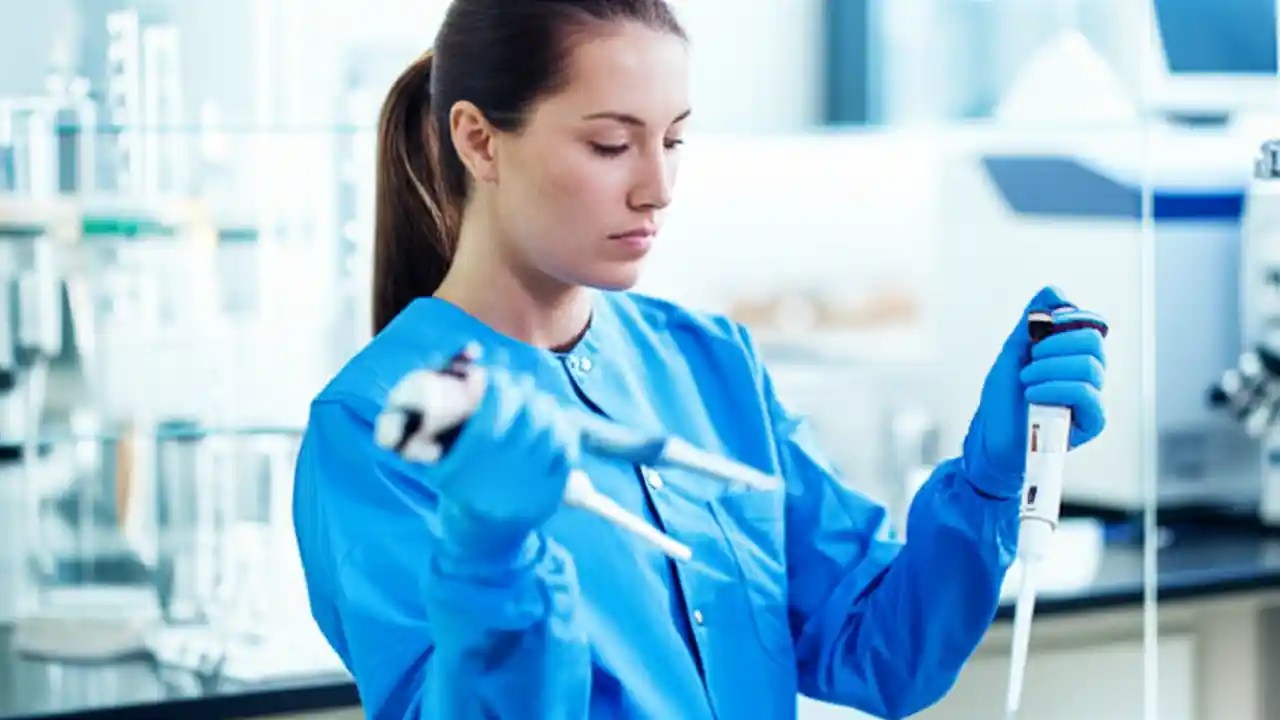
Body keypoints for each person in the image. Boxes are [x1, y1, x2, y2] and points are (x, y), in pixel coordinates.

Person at [291, 1, 1109, 719]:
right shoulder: (380, 424)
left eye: (674, 140)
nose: (658, 187)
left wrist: (992, 481)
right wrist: (492, 563)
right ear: (478, 140)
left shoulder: (710, 365)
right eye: (612, 144)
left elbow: (875, 651)